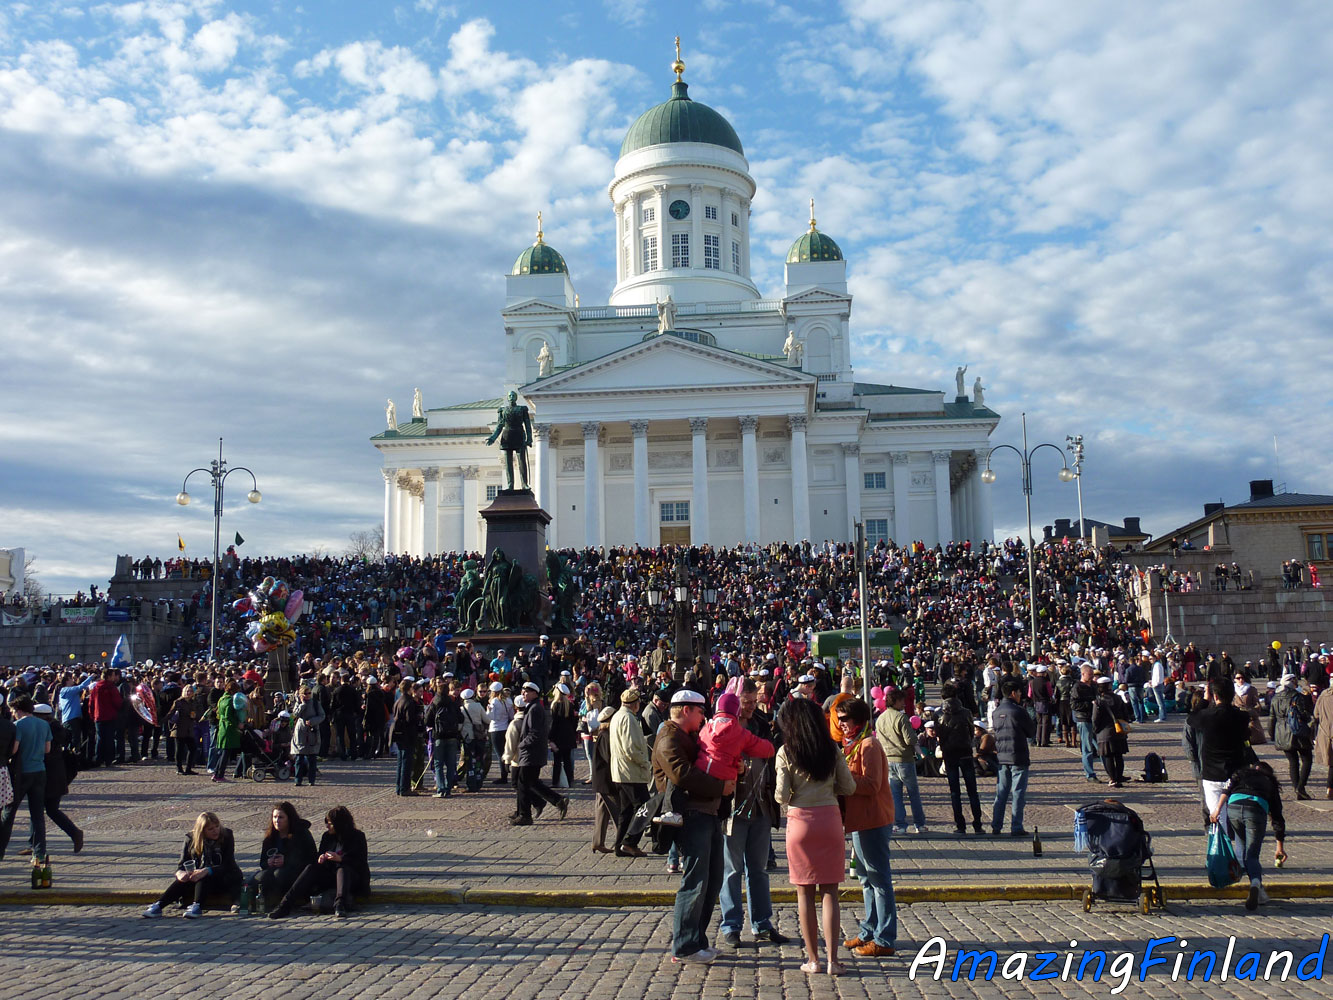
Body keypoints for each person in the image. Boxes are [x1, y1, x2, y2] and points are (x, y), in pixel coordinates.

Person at [776, 695, 856, 975]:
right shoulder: (831, 750)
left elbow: (781, 794)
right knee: (830, 892)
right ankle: (834, 960)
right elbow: (848, 787)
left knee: (804, 894)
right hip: (830, 820)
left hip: (800, 822)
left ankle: (813, 959)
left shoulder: (787, 751)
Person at [652, 689, 732, 965]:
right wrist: (721, 786)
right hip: (690, 815)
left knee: (711, 881)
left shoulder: (686, 736)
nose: (703, 718)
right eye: (700, 712)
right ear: (686, 710)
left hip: (706, 813)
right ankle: (684, 945)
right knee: (696, 882)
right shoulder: (669, 737)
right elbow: (681, 774)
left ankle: (697, 940)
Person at [718, 679, 789, 948]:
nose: (749, 707)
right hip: (733, 808)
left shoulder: (761, 721)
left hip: (760, 804)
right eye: (745, 702)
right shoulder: (723, 726)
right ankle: (731, 925)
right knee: (732, 870)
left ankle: (762, 924)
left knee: (758, 869)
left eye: (753, 702)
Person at [837, 697, 897, 958]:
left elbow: (872, 784)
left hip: (873, 819)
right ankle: (868, 930)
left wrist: (842, 779)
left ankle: (884, 938)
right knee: (865, 880)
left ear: (858, 721)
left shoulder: (868, 745)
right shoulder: (851, 745)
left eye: (845, 720)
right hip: (859, 821)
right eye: (839, 719)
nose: (841, 724)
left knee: (878, 879)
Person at [268, 806, 370, 919]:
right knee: (311, 868)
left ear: (340, 824)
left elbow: (360, 862)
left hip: (351, 878)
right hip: (330, 875)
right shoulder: (327, 836)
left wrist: (341, 859)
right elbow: (319, 856)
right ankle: (285, 905)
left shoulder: (357, 837)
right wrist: (321, 858)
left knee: (343, 868)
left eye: (330, 823)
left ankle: (340, 905)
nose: (327, 826)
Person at [1212, 761, 1286, 911]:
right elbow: (1277, 817)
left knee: (1241, 848)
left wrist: (1217, 810)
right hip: (1255, 810)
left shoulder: (1241, 774)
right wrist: (1280, 847)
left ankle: (1257, 888)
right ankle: (1256, 885)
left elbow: (1226, 790)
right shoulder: (1269, 783)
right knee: (1252, 855)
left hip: (1234, 808)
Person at [143, 811, 243, 918]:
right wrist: (180, 873)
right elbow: (181, 865)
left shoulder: (226, 835)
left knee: (203, 875)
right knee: (184, 879)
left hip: (222, 877)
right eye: (210, 829)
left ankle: (197, 906)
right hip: (197, 878)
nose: (215, 831)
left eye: (217, 826)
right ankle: (159, 905)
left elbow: (228, 864)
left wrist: (207, 870)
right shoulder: (190, 839)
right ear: (202, 831)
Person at [0, 695, 51, 863]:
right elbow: (47, 749)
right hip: (40, 771)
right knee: (37, 815)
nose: (13, 714)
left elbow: (14, 750)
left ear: (19, 710)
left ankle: (1, 849)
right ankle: (39, 853)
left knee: (9, 812)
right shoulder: (44, 724)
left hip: (22, 773)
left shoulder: (18, 726)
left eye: (14, 711)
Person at [1195, 677, 1254, 818]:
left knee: (1218, 817)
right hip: (1236, 770)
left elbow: (1192, 718)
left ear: (1214, 696)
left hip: (1212, 772)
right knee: (1239, 817)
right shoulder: (1242, 716)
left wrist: (1204, 700)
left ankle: (1220, 839)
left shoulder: (1207, 716)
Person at [873, 687, 927, 834]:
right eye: (902, 700)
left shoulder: (880, 719)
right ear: (896, 701)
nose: (904, 703)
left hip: (888, 759)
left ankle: (900, 824)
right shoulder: (900, 718)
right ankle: (919, 823)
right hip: (904, 759)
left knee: (895, 794)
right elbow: (910, 739)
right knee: (913, 792)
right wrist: (919, 749)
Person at [513, 682, 567, 825]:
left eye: (527, 692)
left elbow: (535, 733)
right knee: (530, 782)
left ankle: (525, 815)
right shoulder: (533, 707)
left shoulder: (535, 709)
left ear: (534, 693)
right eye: (522, 691)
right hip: (531, 752)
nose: (523, 694)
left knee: (523, 782)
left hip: (532, 753)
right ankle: (556, 801)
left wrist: (521, 745)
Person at [248, 802, 317, 912]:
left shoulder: (301, 834)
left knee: (279, 874)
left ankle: (283, 903)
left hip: (296, 873)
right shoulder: (270, 837)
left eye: (281, 817)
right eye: (275, 817)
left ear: (289, 818)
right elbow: (263, 862)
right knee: (259, 877)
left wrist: (287, 860)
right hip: (273, 871)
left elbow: (310, 858)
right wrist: (269, 862)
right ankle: (249, 902)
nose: (277, 821)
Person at [990, 677, 1035, 836]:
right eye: (1019, 693)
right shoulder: (1018, 711)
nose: (1020, 695)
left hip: (1002, 756)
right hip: (1018, 755)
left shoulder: (996, 712)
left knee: (1001, 792)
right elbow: (1031, 732)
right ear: (1013, 693)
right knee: (1018, 793)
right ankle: (1016, 826)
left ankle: (996, 825)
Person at [937, 682, 983, 834]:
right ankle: (977, 824)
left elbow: (940, 736)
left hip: (949, 754)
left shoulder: (939, 715)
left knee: (955, 792)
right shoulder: (966, 713)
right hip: (965, 753)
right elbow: (971, 732)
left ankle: (960, 825)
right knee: (972, 791)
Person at [609, 687, 651, 856]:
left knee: (626, 811)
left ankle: (619, 845)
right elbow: (631, 748)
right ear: (635, 704)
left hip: (621, 771)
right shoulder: (628, 719)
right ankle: (630, 842)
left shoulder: (618, 716)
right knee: (644, 807)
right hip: (631, 772)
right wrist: (645, 762)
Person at [1268, 674, 1314, 799]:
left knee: (1293, 761)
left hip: (1281, 732)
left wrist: (1272, 734)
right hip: (1297, 732)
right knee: (1307, 759)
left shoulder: (1275, 698)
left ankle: (1297, 788)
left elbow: (1271, 718)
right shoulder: (1296, 696)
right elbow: (1304, 714)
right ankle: (1300, 787)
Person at [425, 677, 463, 797]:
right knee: (451, 763)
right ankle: (449, 787)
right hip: (452, 736)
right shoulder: (452, 703)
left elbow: (427, 720)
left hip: (439, 736)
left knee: (438, 763)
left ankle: (441, 789)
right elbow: (461, 718)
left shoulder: (435, 702)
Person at [590, 705, 619, 854]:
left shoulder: (604, 734)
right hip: (606, 780)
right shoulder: (606, 735)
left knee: (602, 812)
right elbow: (609, 758)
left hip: (601, 781)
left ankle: (597, 842)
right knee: (617, 812)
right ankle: (622, 841)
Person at [1091, 676, 1130, 787]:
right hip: (1118, 731)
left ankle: (1113, 778)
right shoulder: (1118, 698)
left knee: (1108, 757)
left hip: (1104, 733)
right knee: (1118, 756)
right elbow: (1126, 714)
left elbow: (1095, 719)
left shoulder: (1098, 702)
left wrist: (1095, 730)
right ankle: (1119, 777)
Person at [388, 679, 423, 796]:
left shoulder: (398, 700)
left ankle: (399, 787)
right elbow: (410, 719)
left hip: (399, 733)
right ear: (410, 689)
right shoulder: (409, 701)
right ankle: (404, 788)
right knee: (407, 762)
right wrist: (419, 717)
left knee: (401, 761)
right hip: (407, 734)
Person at [211, 680, 242, 783]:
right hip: (228, 728)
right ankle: (220, 775)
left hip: (222, 727)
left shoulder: (222, 699)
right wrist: (237, 723)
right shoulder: (229, 700)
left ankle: (216, 773)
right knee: (225, 753)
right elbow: (229, 716)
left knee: (223, 752)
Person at [1072, 665, 1099, 783]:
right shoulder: (1077, 687)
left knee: (1100, 746)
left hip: (1095, 718)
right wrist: (1090, 704)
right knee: (1087, 747)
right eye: (1090, 675)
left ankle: (1111, 771)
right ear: (1083, 674)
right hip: (1083, 719)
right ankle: (1090, 774)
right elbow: (1074, 705)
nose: (1092, 677)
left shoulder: (1093, 685)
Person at [549, 683, 579, 789]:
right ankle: (569, 780)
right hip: (568, 736)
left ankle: (555, 781)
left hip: (558, 736)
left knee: (557, 761)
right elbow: (573, 722)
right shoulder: (569, 705)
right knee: (567, 760)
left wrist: (550, 738)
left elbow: (554, 723)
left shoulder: (555, 705)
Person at [292, 684, 322, 787]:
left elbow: (322, 715)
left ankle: (311, 779)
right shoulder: (298, 703)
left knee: (312, 758)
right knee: (299, 757)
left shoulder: (315, 703)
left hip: (312, 730)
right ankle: (298, 780)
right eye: (305, 693)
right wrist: (302, 704)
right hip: (301, 731)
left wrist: (313, 721)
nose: (308, 695)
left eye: (309, 693)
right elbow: (296, 714)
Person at [485, 681, 514, 786]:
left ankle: (503, 776)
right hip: (506, 728)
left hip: (495, 729)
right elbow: (511, 716)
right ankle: (506, 772)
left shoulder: (494, 702)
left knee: (499, 754)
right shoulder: (508, 700)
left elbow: (491, 717)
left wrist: (488, 710)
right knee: (505, 752)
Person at [1316, 680, 1333, 801]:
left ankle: (1329, 788)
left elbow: (1316, 714)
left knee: (1332, 764)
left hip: (1325, 733)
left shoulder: (1323, 695)